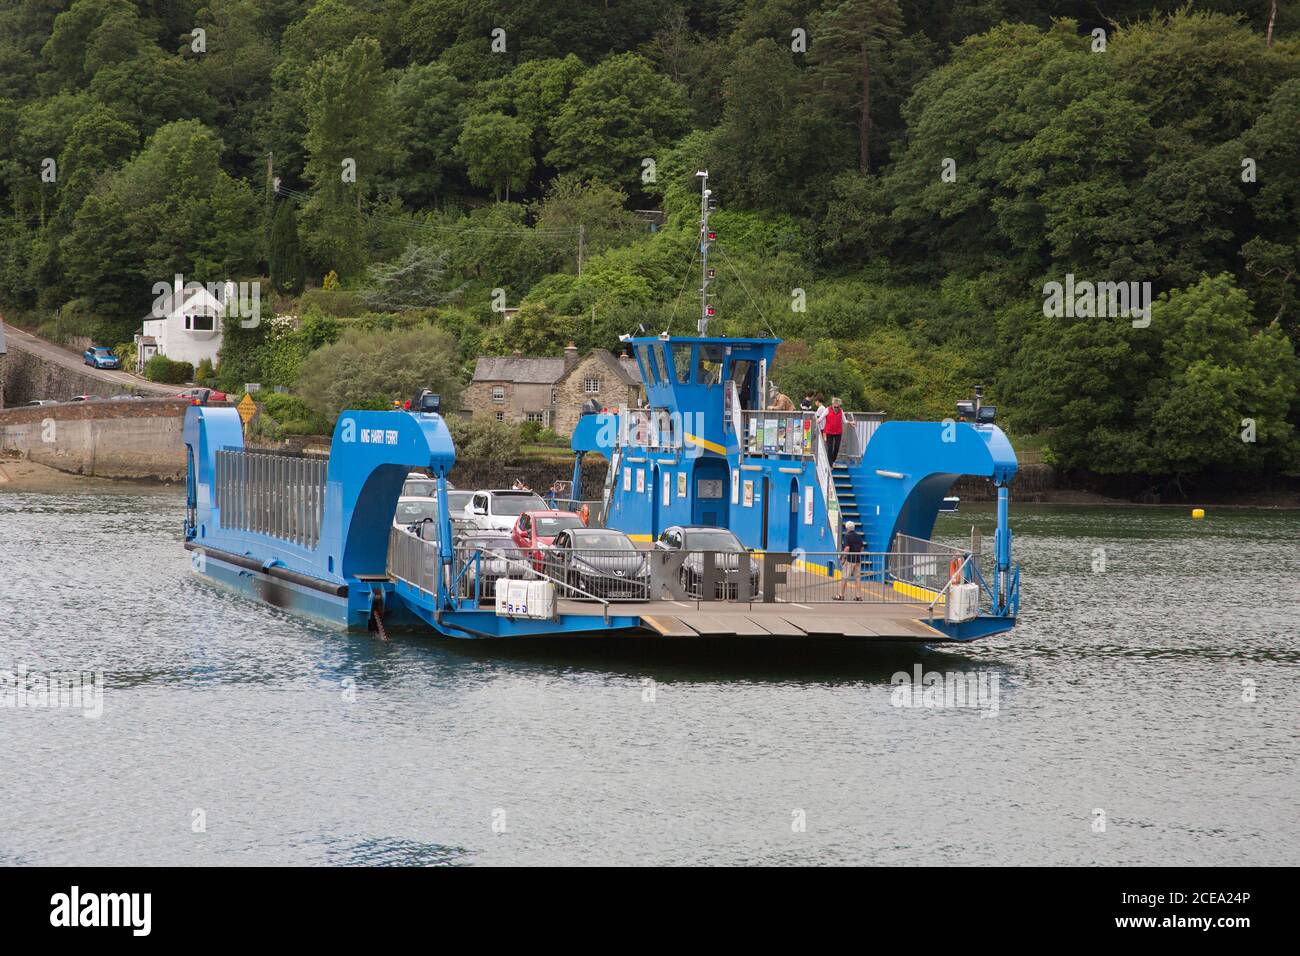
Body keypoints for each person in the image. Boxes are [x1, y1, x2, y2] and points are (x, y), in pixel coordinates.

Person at [836, 520, 865, 600]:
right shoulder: (858, 536)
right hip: (857, 559)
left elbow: (847, 548)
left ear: (847, 528)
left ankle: (841, 595)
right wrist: (858, 553)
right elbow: (862, 548)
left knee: (845, 577)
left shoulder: (847, 536)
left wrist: (843, 558)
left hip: (850, 559)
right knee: (857, 578)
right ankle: (858, 596)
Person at [823, 397, 844, 466]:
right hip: (829, 431)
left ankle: (833, 460)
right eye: (834, 405)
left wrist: (850, 422)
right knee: (830, 447)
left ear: (839, 405)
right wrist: (818, 421)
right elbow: (821, 417)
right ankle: (830, 464)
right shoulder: (827, 410)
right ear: (832, 404)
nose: (836, 407)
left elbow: (844, 420)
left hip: (838, 432)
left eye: (837, 405)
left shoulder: (841, 411)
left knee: (837, 447)